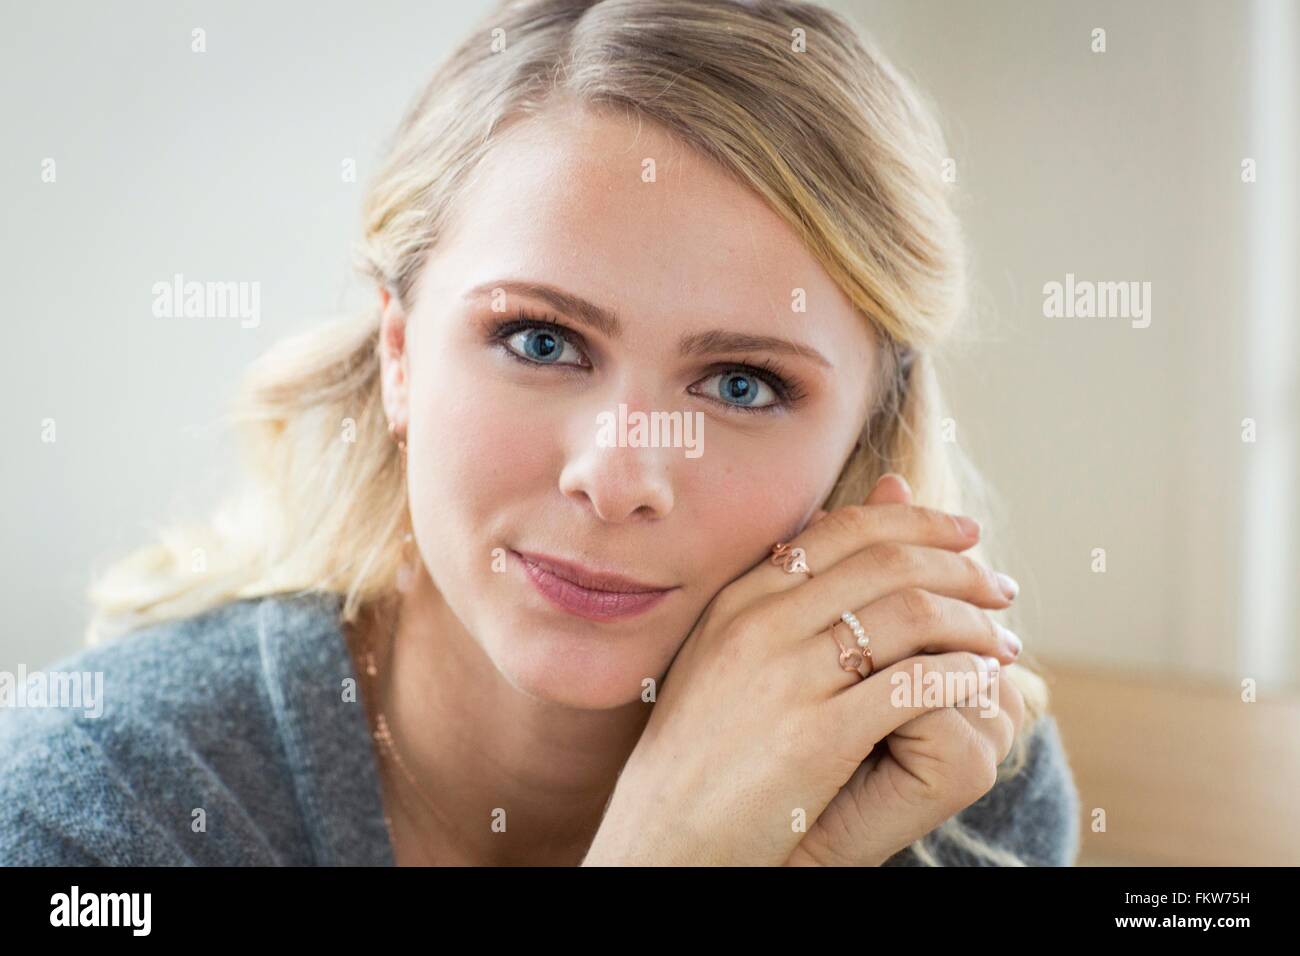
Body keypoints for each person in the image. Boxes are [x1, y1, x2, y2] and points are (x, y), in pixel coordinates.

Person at [0, 0, 1080, 866]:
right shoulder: (104, 803)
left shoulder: (963, 787)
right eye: (540, 341)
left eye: (741, 384)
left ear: (861, 433)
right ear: (399, 354)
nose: (616, 478)